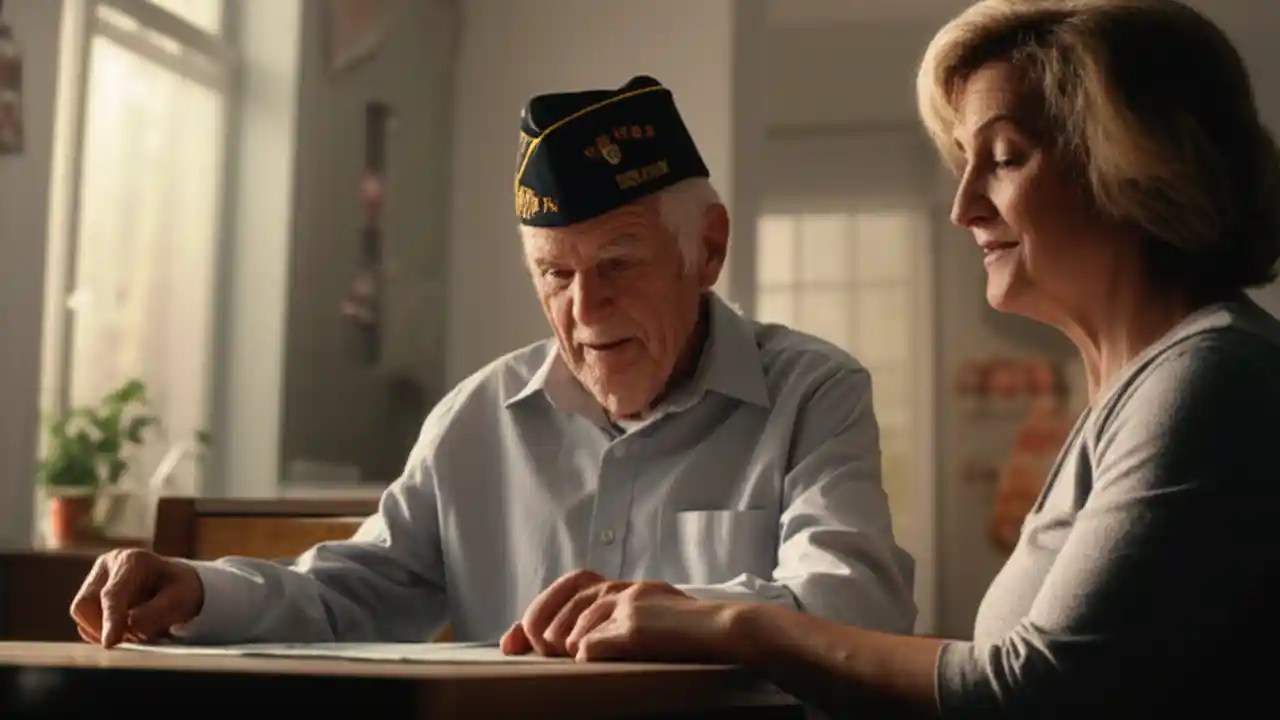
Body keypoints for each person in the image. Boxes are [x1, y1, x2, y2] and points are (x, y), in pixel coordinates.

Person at [536, 2, 1280, 717]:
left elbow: (1033, 691)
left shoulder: (1208, 378)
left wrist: (736, 625)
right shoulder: (1145, 390)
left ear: (1139, 167)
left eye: (1005, 158)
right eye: (962, 161)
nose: (963, 207)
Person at [69, 75, 917, 652]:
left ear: (709, 248)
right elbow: (352, 595)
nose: (584, 312)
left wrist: (691, 616)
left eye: (618, 264)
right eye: (555, 274)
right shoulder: (477, 418)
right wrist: (197, 590)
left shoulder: (812, 392)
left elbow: (857, 610)